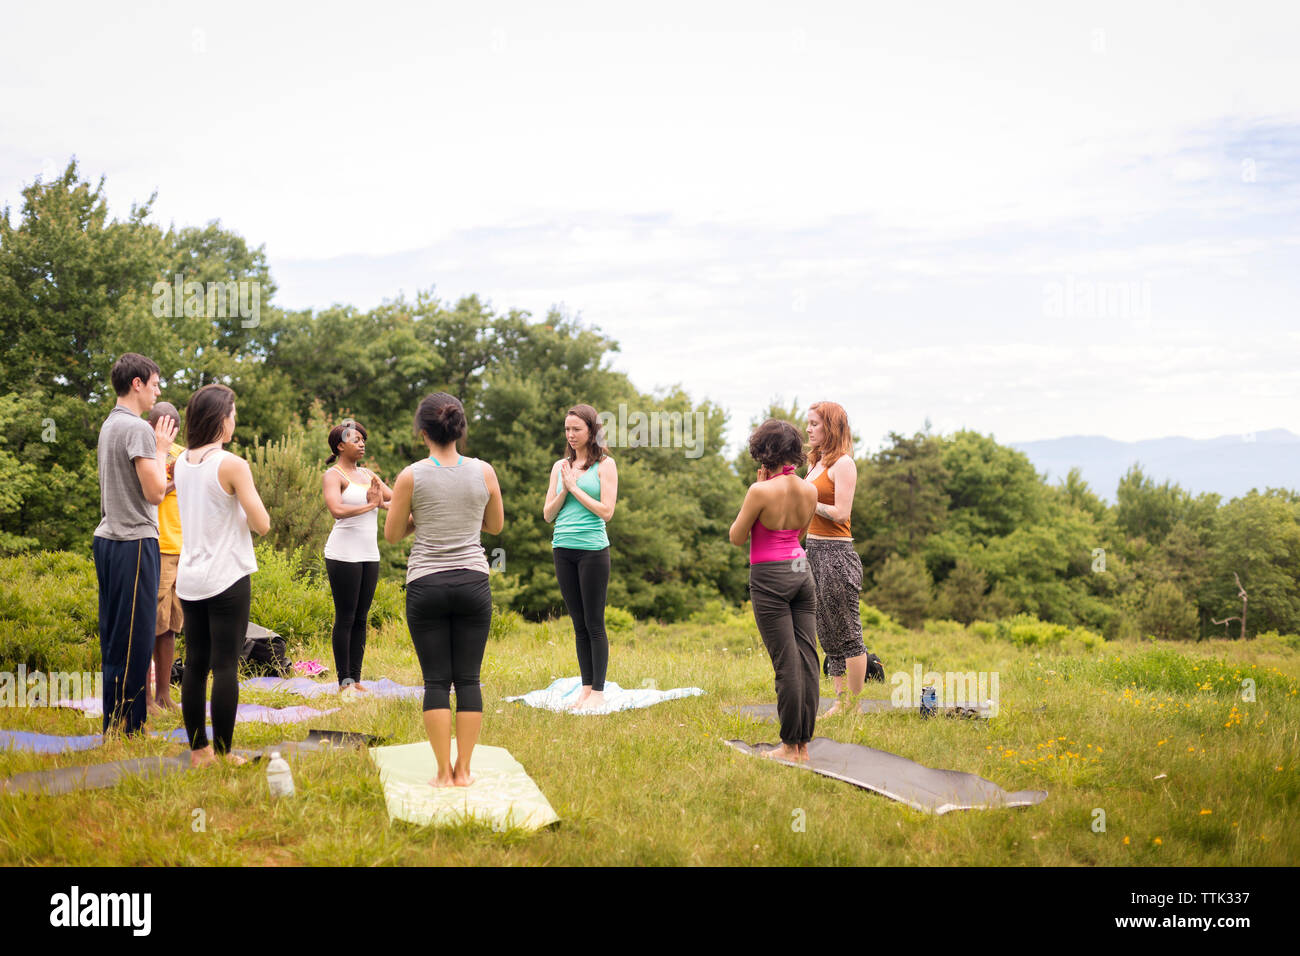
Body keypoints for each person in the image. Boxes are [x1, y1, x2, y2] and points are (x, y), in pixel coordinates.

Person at [384, 392, 504, 788]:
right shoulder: (484, 471)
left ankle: (441, 773)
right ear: (461, 429)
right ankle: (465, 772)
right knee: (468, 680)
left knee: (436, 681)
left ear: (423, 433)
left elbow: (393, 534)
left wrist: (421, 516)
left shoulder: (410, 476)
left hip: (426, 584)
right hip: (472, 580)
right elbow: (495, 526)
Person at [173, 384, 270, 768]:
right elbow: (262, 523)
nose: (235, 420)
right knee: (226, 665)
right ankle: (227, 754)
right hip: (227, 576)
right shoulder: (232, 464)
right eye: (233, 413)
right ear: (220, 418)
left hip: (191, 577)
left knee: (195, 663)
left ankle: (199, 752)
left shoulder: (181, 462)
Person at [93, 353, 176, 737]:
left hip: (108, 538)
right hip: (134, 542)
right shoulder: (139, 430)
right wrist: (161, 450)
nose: (158, 391)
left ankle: (114, 723)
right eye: (155, 383)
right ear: (137, 384)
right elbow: (156, 492)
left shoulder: (110, 423)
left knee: (114, 637)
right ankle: (129, 728)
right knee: (135, 638)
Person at [729, 419, 819, 762]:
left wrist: (758, 492)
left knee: (786, 664)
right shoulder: (809, 489)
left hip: (770, 577)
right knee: (808, 658)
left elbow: (737, 537)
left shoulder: (759, 492)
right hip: (801, 572)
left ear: (763, 451)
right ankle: (803, 746)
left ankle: (789, 746)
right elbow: (798, 535)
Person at [542, 404, 618, 711]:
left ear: (591, 431)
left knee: (594, 622)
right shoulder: (560, 465)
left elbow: (607, 511)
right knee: (578, 624)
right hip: (563, 547)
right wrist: (564, 488)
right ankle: (585, 690)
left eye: (577, 429)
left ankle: (598, 692)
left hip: (593, 550)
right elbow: (548, 514)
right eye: (567, 429)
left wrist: (575, 487)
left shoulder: (605, 465)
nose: (571, 435)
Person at [804, 401, 867, 718]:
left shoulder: (843, 464)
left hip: (836, 554)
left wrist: (807, 499)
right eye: (808, 424)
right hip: (812, 550)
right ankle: (840, 701)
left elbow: (841, 512)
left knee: (847, 632)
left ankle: (853, 706)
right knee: (825, 631)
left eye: (815, 423)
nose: (809, 429)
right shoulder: (814, 463)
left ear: (830, 427)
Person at [322, 418, 391, 694]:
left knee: (362, 618)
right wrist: (371, 505)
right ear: (340, 445)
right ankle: (344, 682)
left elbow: (393, 499)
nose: (361, 444)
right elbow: (336, 510)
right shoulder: (334, 475)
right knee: (346, 617)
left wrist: (403, 510)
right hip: (342, 554)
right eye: (355, 440)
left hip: (368, 554)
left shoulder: (368, 475)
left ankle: (357, 679)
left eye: (363, 440)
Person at [148, 401, 185, 715]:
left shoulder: (184, 455)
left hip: (182, 548)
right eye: (162, 426)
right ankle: (144, 696)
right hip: (157, 547)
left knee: (171, 625)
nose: (168, 432)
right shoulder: (147, 453)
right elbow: (149, 492)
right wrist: (173, 482)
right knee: (150, 622)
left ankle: (164, 694)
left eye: (172, 427)